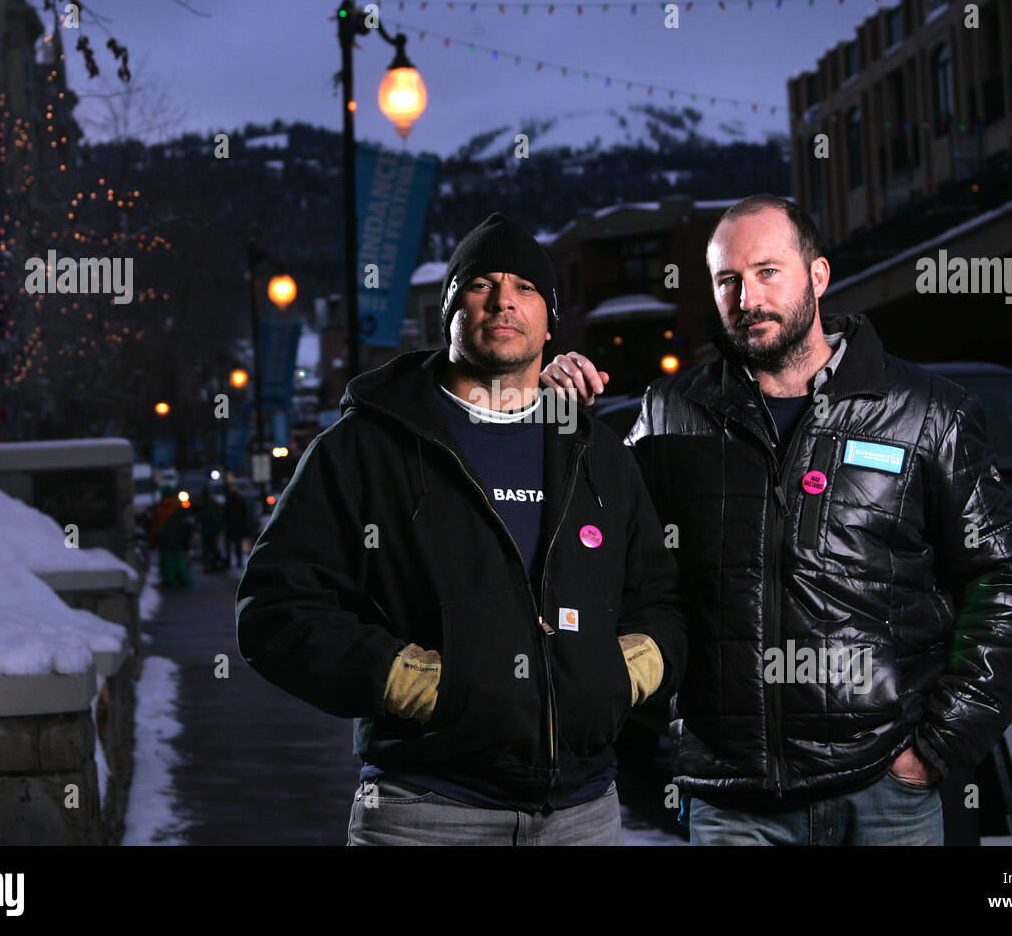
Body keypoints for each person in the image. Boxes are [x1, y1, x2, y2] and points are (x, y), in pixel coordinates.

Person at [541, 194, 1012, 845]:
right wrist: (556, 424)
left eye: (767, 271)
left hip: (885, 791)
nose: (746, 297)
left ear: (817, 275)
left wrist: (941, 744)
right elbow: (596, 550)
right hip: (734, 800)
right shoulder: (671, 414)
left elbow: (1005, 578)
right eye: (728, 280)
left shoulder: (926, 413)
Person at [236, 212, 687, 846]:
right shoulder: (367, 448)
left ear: (549, 322)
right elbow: (275, 610)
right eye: (481, 284)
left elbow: (661, 600)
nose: (504, 300)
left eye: (525, 287)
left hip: (583, 815)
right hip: (425, 812)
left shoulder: (596, 453)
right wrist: (412, 682)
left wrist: (613, 676)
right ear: (449, 313)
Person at [152, 485, 193, 589]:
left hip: (165, 540)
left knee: (168, 562)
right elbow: (185, 522)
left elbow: (156, 525)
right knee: (180, 560)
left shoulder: (160, 507)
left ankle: (171, 581)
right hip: (178, 539)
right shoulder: (178, 505)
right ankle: (185, 579)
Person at [195, 489, 225, 572]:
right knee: (212, 549)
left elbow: (200, 518)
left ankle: (210, 565)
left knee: (209, 549)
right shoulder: (212, 505)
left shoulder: (205, 506)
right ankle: (212, 565)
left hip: (209, 531)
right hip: (211, 531)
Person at [223, 480, 250, 569]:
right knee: (233, 545)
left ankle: (235, 561)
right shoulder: (232, 501)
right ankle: (233, 561)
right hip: (234, 526)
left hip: (235, 526)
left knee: (235, 545)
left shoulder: (233, 501)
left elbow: (244, 514)